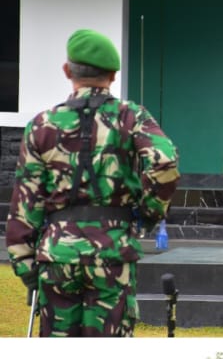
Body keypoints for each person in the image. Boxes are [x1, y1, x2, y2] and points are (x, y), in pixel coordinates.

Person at [6, 29, 179, 336]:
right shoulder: (131, 117)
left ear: (67, 71)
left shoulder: (42, 125)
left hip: (57, 256)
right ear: (113, 75)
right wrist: (147, 212)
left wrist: (27, 266)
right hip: (112, 253)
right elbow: (164, 163)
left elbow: (25, 202)